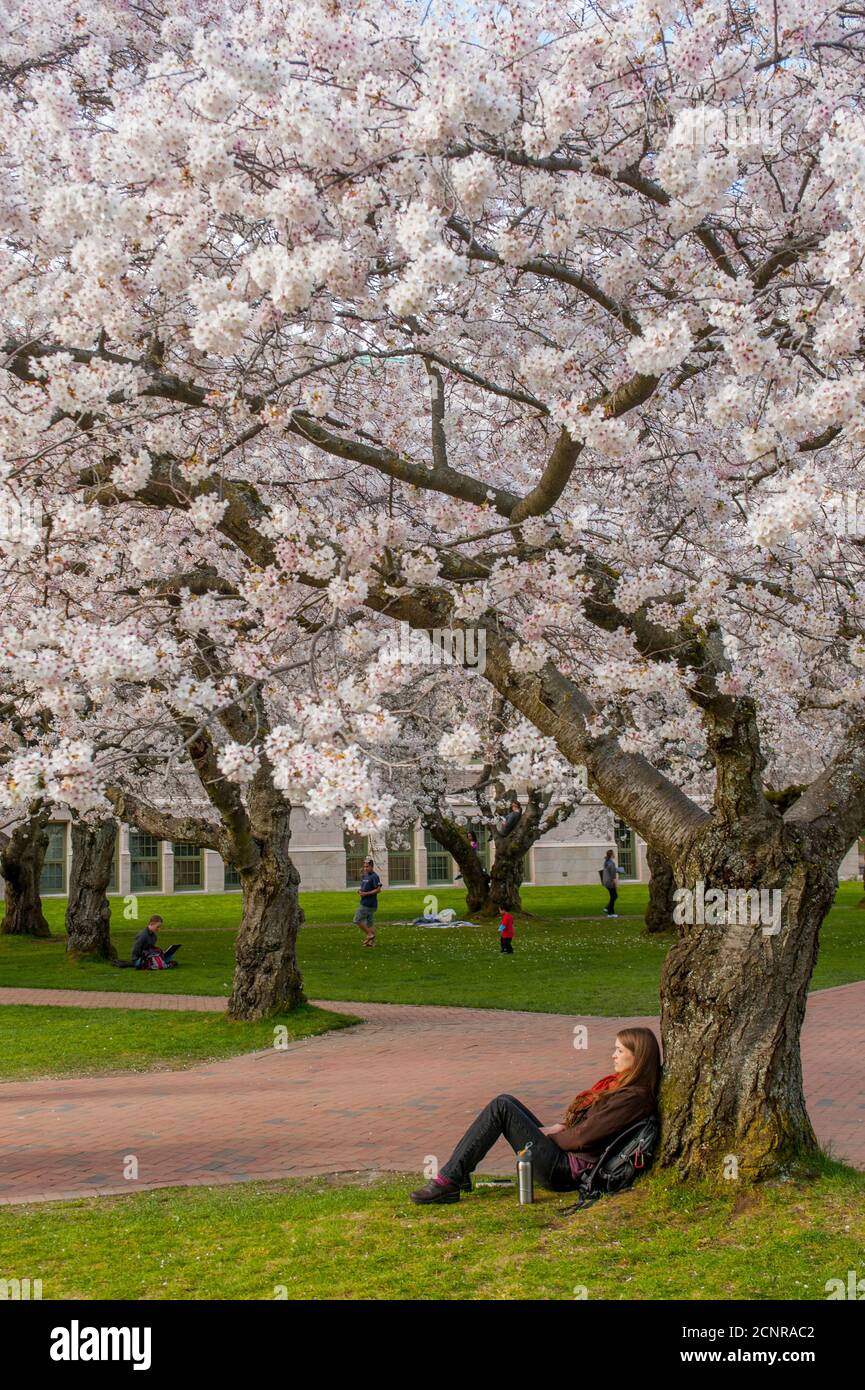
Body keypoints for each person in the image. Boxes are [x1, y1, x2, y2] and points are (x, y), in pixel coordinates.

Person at [410, 1027, 661, 1204]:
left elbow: (583, 1138)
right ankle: (459, 1173)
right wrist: (560, 1126)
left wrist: (547, 1138)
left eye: (619, 1051)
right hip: (566, 1157)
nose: (613, 1055)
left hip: (565, 1171)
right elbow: (587, 1127)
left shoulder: (633, 1098)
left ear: (637, 1057)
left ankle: (450, 1182)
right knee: (506, 1101)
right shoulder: (623, 1088)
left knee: (502, 1107)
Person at [354, 856, 383, 947]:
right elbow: (363, 887)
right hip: (365, 902)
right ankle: (371, 942)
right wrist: (360, 891)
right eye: (364, 866)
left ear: (372, 867)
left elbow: (378, 890)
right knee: (369, 923)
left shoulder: (375, 876)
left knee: (357, 920)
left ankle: (370, 935)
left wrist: (366, 894)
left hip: (368, 904)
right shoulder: (364, 876)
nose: (365, 868)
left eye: (367, 867)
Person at [601, 848, 621, 917]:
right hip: (610, 883)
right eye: (614, 853)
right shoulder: (612, 863)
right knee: (614, 896)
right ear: (612, 855)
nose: (615, 854)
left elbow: (609, 871)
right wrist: (616, 884)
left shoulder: (606, 862)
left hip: (606, 882)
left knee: (613, 896)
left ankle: (609, 911)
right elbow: (613, 876)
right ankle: (608, 910)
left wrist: (616, 870)